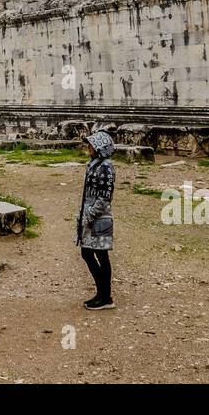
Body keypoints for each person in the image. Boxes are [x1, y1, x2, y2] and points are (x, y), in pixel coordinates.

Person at [76, 130, 116, 310]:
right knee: (88, 253)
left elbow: (105, 198)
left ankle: (105, 296)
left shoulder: (106, 168)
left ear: (100, 148)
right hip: (90, 215)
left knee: (99, 254)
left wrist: (90, 214)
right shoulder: (93, 165)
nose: (88, 147)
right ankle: (102, 294)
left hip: (99, 218)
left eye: (91, 145)